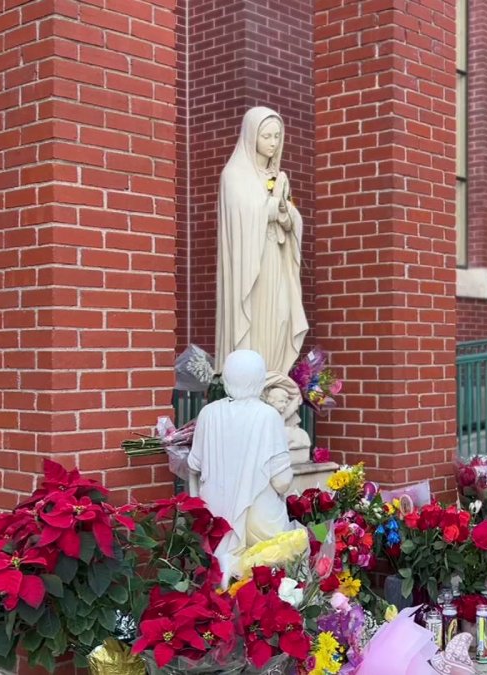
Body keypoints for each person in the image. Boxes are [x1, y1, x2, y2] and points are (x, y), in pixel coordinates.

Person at [215, 106, 309, 375]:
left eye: (277, 136)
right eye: (267, 136)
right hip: (251, 267)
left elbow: (290, 219)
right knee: (257, 321)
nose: (273, 143)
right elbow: (241, 218)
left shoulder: (276, 176)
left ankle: (275, 376)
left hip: (276, 259)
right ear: (251, 136)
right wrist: (272, 203)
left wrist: (285, 209)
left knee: (281, 316)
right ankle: (254, 380)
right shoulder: (234, 175)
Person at [187, 350, 293, 581]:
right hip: (257, 520)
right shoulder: (268, 416)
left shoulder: (208, 413)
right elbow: (282, 482)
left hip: (217, 518)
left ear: (226, 378)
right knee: (285, 550)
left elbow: (194, 465)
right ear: (259, 379)